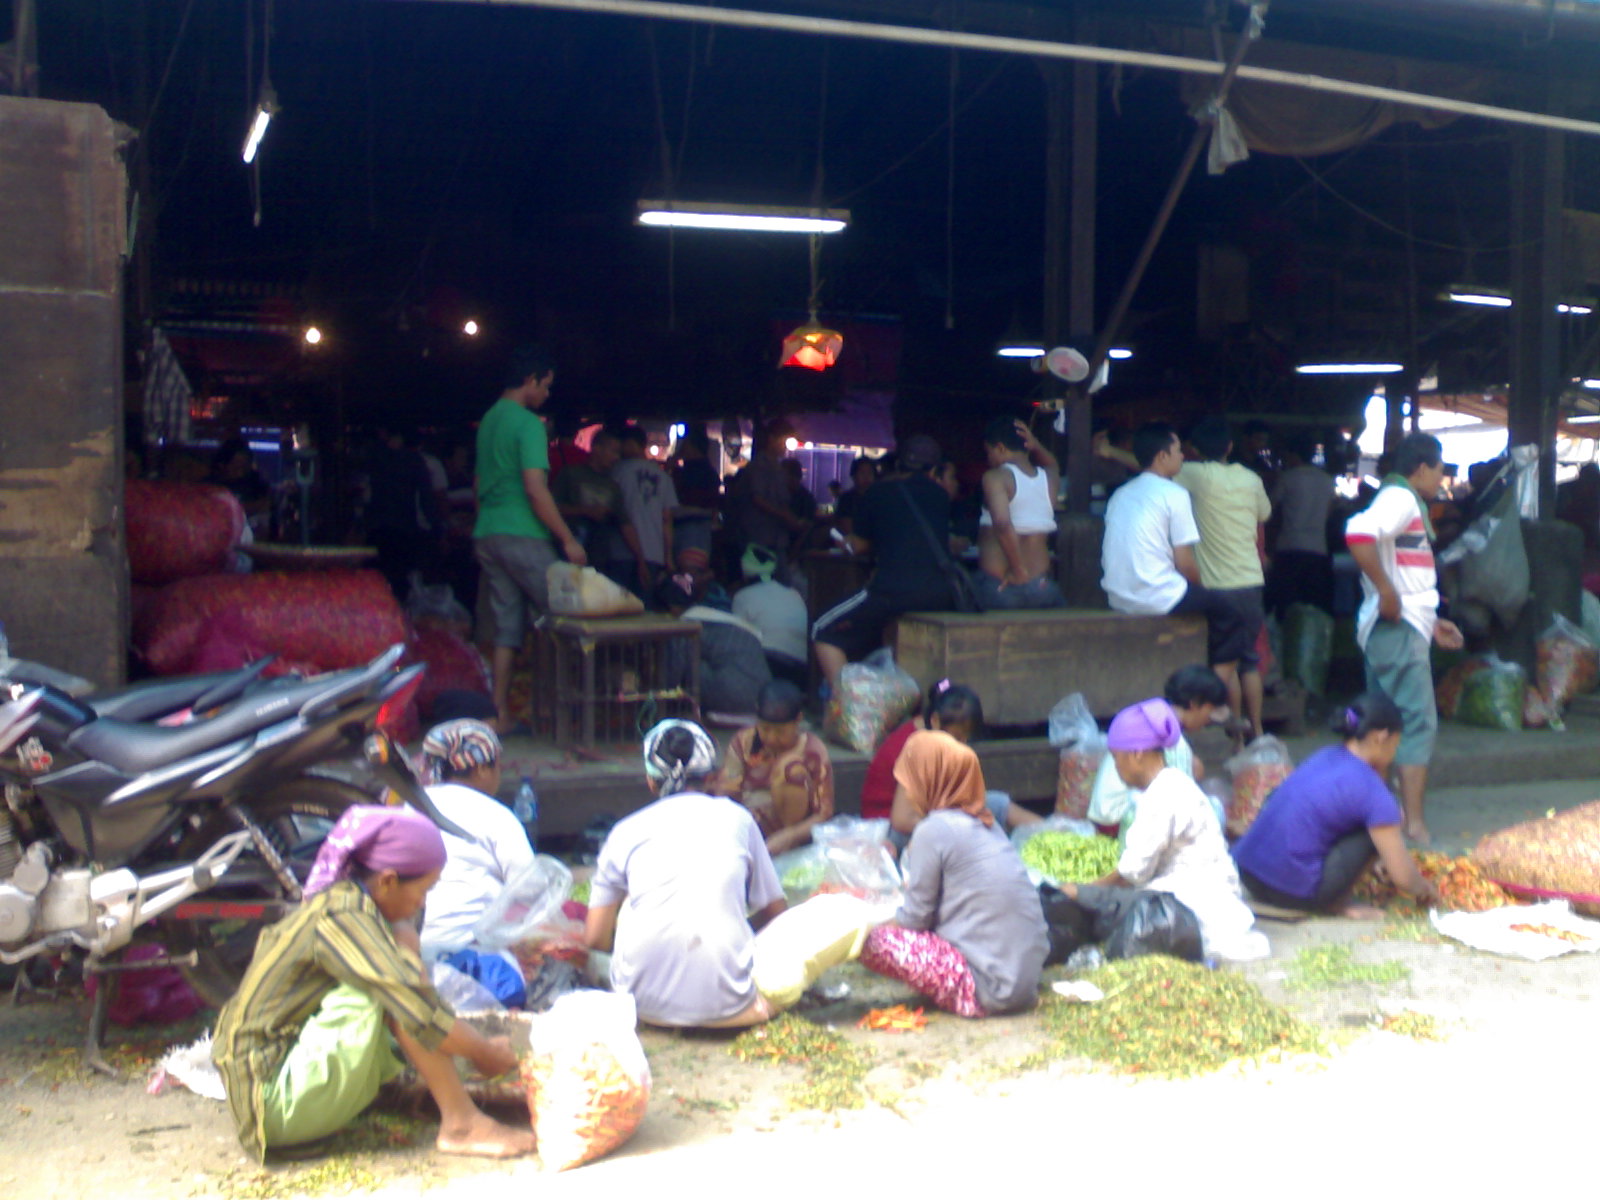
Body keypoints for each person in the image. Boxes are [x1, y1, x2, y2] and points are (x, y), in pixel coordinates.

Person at [213, 806, 533, 1163]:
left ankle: (450, 1108)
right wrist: (483, 1052)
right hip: (272, 1105)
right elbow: (418, 1010)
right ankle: (462, 1123)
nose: (422, 904)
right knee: (396, 988)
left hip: (275, 1091)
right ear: (387, 881)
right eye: (424, 891)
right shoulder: (342, 916)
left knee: (400, 969)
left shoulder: (351, 905)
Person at [584, 720, 789, 1028]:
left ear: (651, 781)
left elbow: (595, 938)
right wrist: (740, 929)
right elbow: (777, 914)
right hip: (730, 1003)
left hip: (639, 1005)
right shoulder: (739, 820)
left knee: (628, 906)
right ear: (714, 777)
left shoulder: (625, 831)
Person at [858, 730, 1049, 1017]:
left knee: (872, 940)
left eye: (909, 782)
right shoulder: (986, 822)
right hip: (1026, 980)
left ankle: (961, 993)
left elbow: (914, 919)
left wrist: (866, 925)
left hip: (989, 989)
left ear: (929, 781)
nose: (908, 793)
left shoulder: (933, 829)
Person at [1061, 699, 1268, 962]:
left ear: (1136, 754)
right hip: (1205, 903)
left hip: (1189, 912)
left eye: (1116, 757)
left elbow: (1131, 873)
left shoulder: (1162, 795)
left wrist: (1083, 889)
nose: (1115, 766)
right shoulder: (1174, 783)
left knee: (1076, 897)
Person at [1344, 431, 1464, 845]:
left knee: (1382, 722)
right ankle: (1413, 823)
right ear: (1422, 468)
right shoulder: (1399, 499)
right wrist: (1387, 591)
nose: (1441, 478)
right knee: (1416, 723)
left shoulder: (1401, 499)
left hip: (1398, 625)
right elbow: (1357, 534)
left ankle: (1380, 816)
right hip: (1396, 627)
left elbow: (1401, 568)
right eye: (1439, 469)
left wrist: (1428, 621)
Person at [1233, 693, 1441, 917]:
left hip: (1247, 876)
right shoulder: (1372, 790)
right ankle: (1335, 905)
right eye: (1396, 744)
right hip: (1289, 895)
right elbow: (1403, 878)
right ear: (1381, 737)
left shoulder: (1324, 756)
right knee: (1379, 826)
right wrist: (1425, 889)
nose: (1394, 753)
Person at [473, 344, 587, 732]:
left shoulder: (488, 420)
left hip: (487, 532)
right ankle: (560, 714)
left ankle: (499, 713)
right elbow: (536, 490)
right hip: (521, 532)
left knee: (507, 628)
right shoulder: (527, 425)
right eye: (546, 386)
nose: (547, 395)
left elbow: (477, 483)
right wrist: (568, 539)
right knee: (567, 616)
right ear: (531, 381)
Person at [813, 433, 957, 688]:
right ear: (935, 469)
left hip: (893, 591)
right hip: (940, 593)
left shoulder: (877, 493)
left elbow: (858, 545)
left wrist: (846, 542)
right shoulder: (940, 496)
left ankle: (853, 706)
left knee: (821, 629)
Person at [1174, 416, 1272, 741]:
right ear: (1230, 447)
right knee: (1250, 660)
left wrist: (1107, 451)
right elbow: (1264, 515)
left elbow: (1151, 464)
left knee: (1225, 660)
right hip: (1251, 583)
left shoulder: (1195, 474)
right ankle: (1256, 730)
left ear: (1192, 450)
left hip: (1218, 589)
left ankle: (1236, 735)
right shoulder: (1251, 478)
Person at [415, 720, 535, 962]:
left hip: (413, 948)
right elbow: (530, 890)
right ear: (481, 768)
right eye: (497, 766)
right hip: (476, 953)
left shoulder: (410, 806)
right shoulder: (496, 815)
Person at [867, 682, 1041, 847]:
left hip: (926, 814)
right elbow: (902, 820)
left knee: (995, 803)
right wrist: (955, 826)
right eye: (957, 738)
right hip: (886, 831)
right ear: (935, 721)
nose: (962, 745)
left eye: (967, 739)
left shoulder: (932, 736)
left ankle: (1056, 832)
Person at [1086, 664, 1229, 838]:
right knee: (1212, 810)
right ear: (1194, 704)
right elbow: (1181, 801)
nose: (1209, 719)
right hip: (1120, 821)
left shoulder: (1149, 717)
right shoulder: (1172, 739)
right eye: (1210, 710)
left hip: (1104, 815)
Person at [717, 679, 835, 854]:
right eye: (765, 729)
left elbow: (824, 813)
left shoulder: (813, 751)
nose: (771, 738)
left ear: (798, 721)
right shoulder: (744, 741)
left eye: (780, 732)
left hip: (791, 829)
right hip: (747, 825)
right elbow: (726, 792)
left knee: (790, 768)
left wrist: (790, 836)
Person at [656, 573, 772, 719]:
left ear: (670, 609)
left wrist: (661, 698)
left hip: (734, 694)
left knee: (687, 659)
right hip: (763, 697)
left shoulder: (686, 626)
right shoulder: (720, 616)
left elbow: (674, 671)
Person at [977, 416, 1064, 610]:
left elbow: (1002, 524)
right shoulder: (1048, 478)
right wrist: (1035, 445)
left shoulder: (996, 477)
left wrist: (1018, 571)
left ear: (1000, 448)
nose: (989, 459)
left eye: (989, 452)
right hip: (1041, 586)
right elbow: (1053, 464)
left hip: (1000, 586)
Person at [552, 428, 650, 596]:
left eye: (618, 453)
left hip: (599, 556)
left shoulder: (612, 486)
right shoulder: (571, 474)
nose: (616, 458)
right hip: (569, 550)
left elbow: (626, 525)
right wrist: (585, 511)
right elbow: (552, 508)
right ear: (596, 448)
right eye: (613, 452)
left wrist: (641, 561)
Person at [1266, 434, 1337, 619]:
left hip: (1289, 548)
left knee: (1285, 610)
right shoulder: (1327, 480)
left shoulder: (1288, 478)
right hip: (1318, 551)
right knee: (1313, 611)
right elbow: (1329, 513)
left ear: (1292, 455)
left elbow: (1268, 510)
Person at [610, 425, 679, 600]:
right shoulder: (663, 477)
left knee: (616, 608)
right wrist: (668, 557)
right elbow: (667, 520)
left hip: (619, 552)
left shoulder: (616, 472)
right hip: (653, 553)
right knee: (644, 611)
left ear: (629, 443)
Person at [731, 544, 809, 687]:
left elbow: (739, 639)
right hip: (802, 667)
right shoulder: (793, 594)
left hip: (769, 664)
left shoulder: (742, 596)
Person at [739, 419, 803, 563]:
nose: (785, 446)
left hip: (776, 537)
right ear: (771, 439)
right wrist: (784, 515)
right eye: (784, 440)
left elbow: (782, 500)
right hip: (760, 537)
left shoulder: (779, 468)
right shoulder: (759, 466)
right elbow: (758, 499)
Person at [832, 454, 878, 536]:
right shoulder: (846, 499)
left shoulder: (879, 499)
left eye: (870, 472)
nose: (866, 476)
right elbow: (847, 527)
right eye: (862, 472)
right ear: (853, 476)